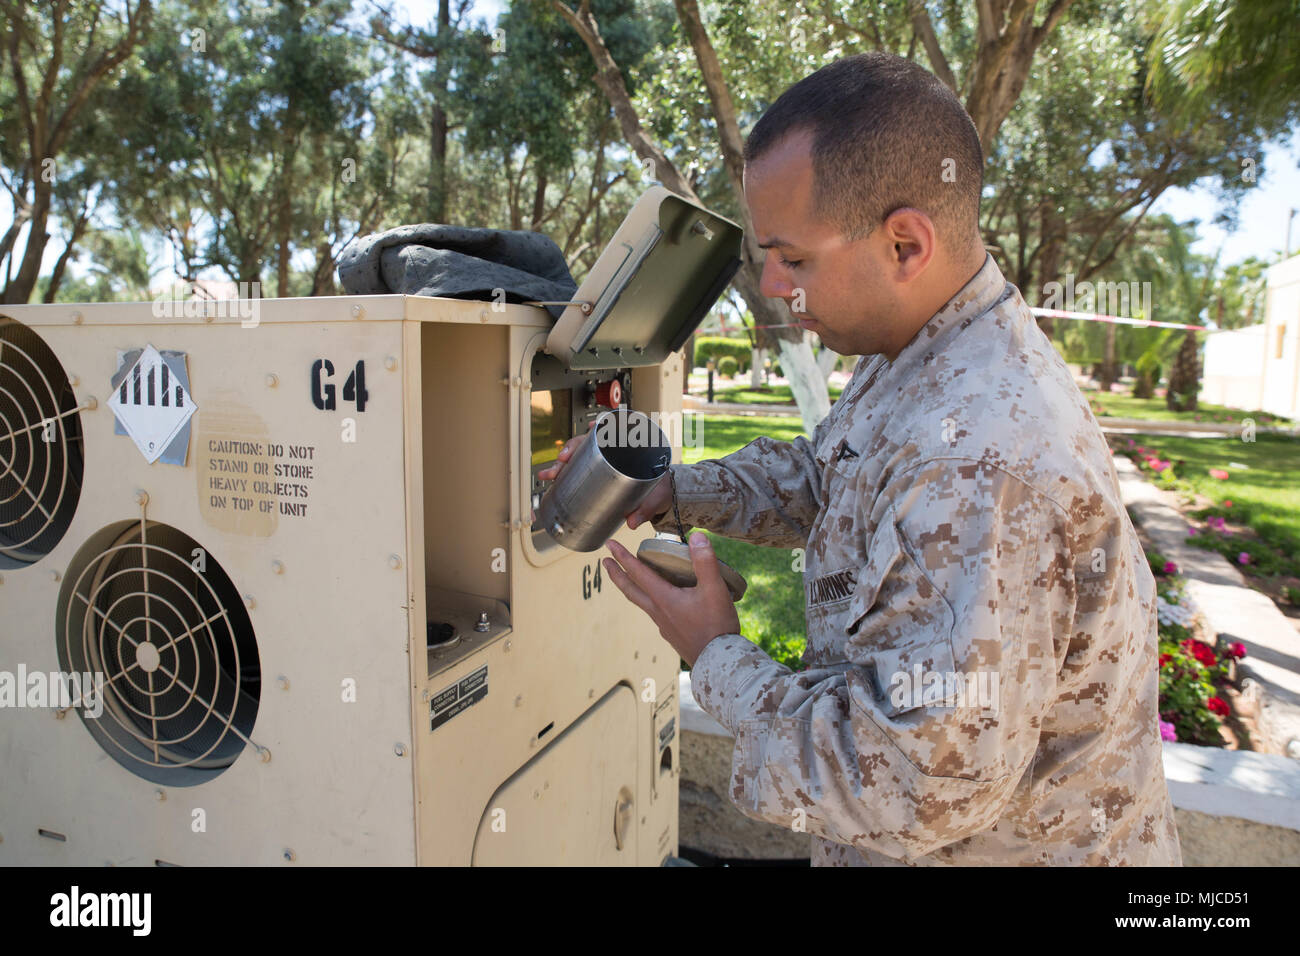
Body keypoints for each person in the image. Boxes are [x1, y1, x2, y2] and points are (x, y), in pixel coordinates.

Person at [539, 52, 1182, 866]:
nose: (771, 285)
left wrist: (716, 655)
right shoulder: (922, 346)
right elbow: (830, 475)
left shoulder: (982, 463)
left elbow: (911, 786)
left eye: (794, 258)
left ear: (905, 243)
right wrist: (673, 488)